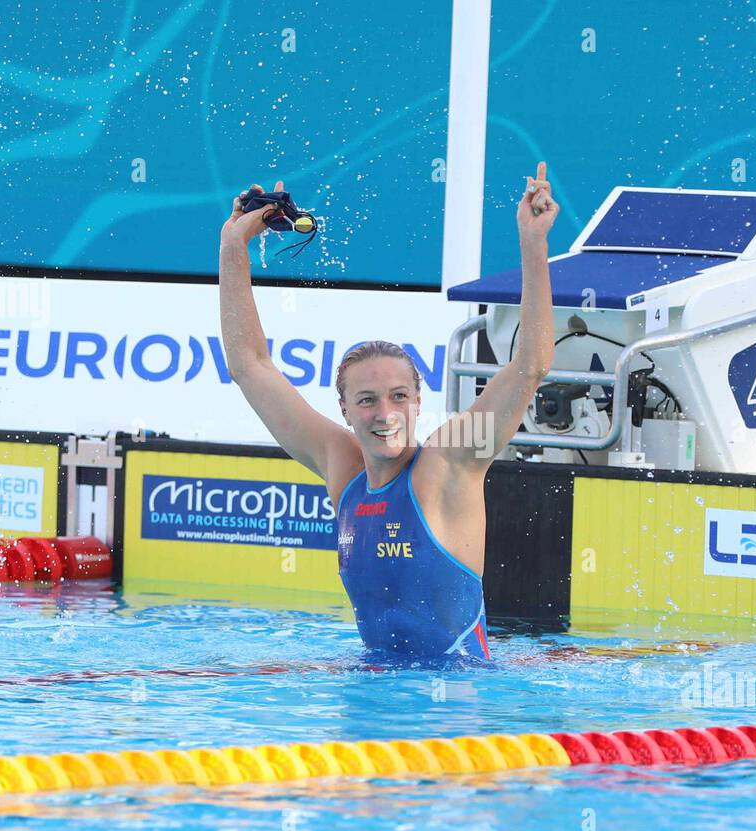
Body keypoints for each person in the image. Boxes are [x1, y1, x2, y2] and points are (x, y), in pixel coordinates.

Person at [218, 163, 558, 659]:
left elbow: (529, 367)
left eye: (400, 396)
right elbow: (249, 366)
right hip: (370, 699)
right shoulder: (343, 468)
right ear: (346, 410)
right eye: (367, 400)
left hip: (455, 710)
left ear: (419, 401)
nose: (385, 413)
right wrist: (232, 248)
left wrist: (533, 246)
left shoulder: (451, 465)